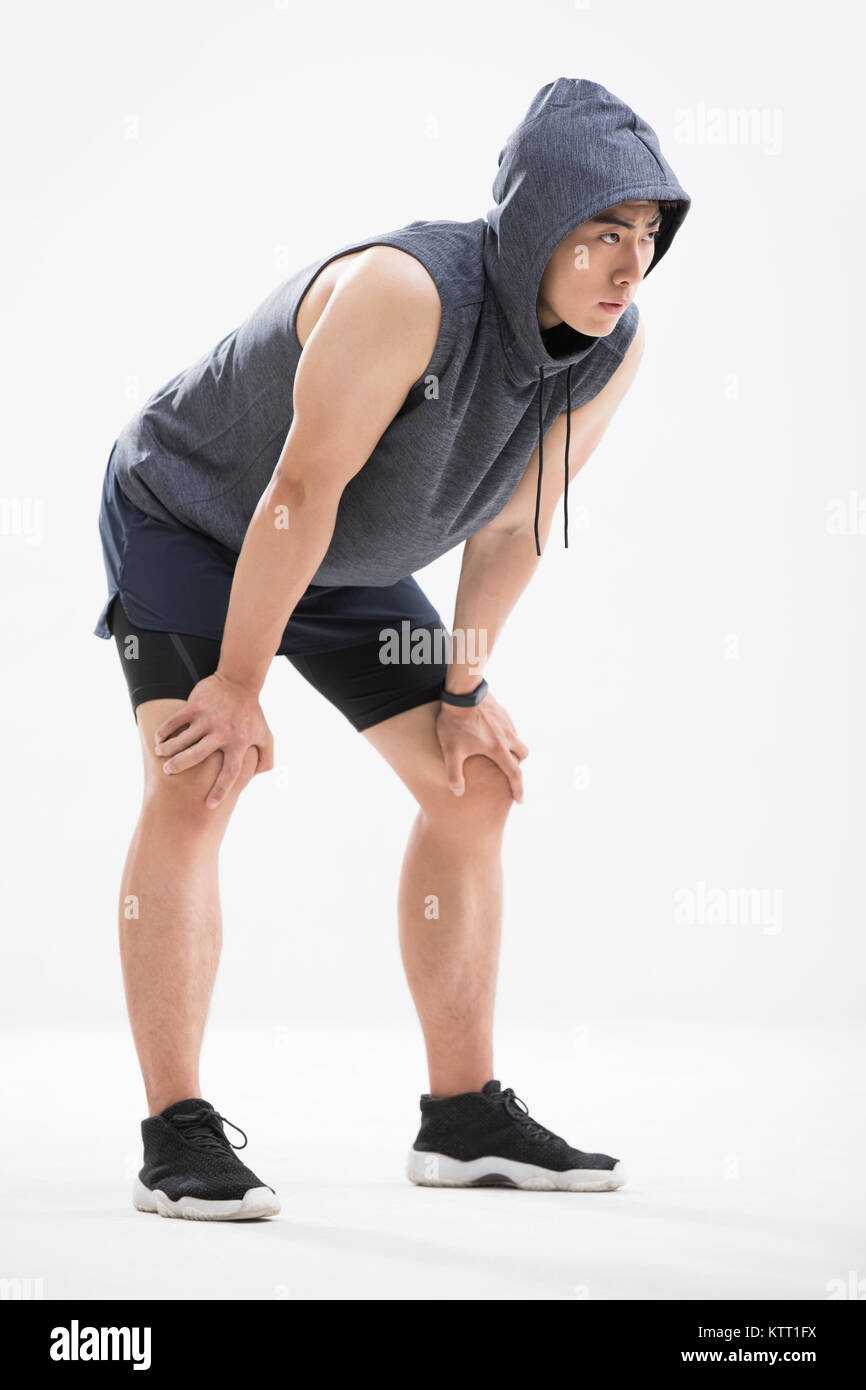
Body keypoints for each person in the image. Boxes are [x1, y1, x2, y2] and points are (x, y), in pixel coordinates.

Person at [93, 77, 691, 1219]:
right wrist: (232, 685)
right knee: (199, 774)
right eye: (602, 233)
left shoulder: (610, 348)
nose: (629, 268)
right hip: (196, 515)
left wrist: (462, 687)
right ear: (534, 224)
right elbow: (297, 489)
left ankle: (459, 1115)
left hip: (336, 554)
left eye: (647, 238)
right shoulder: (404, 291)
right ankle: (176, 1130)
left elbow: (516, 523)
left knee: (473, 782)